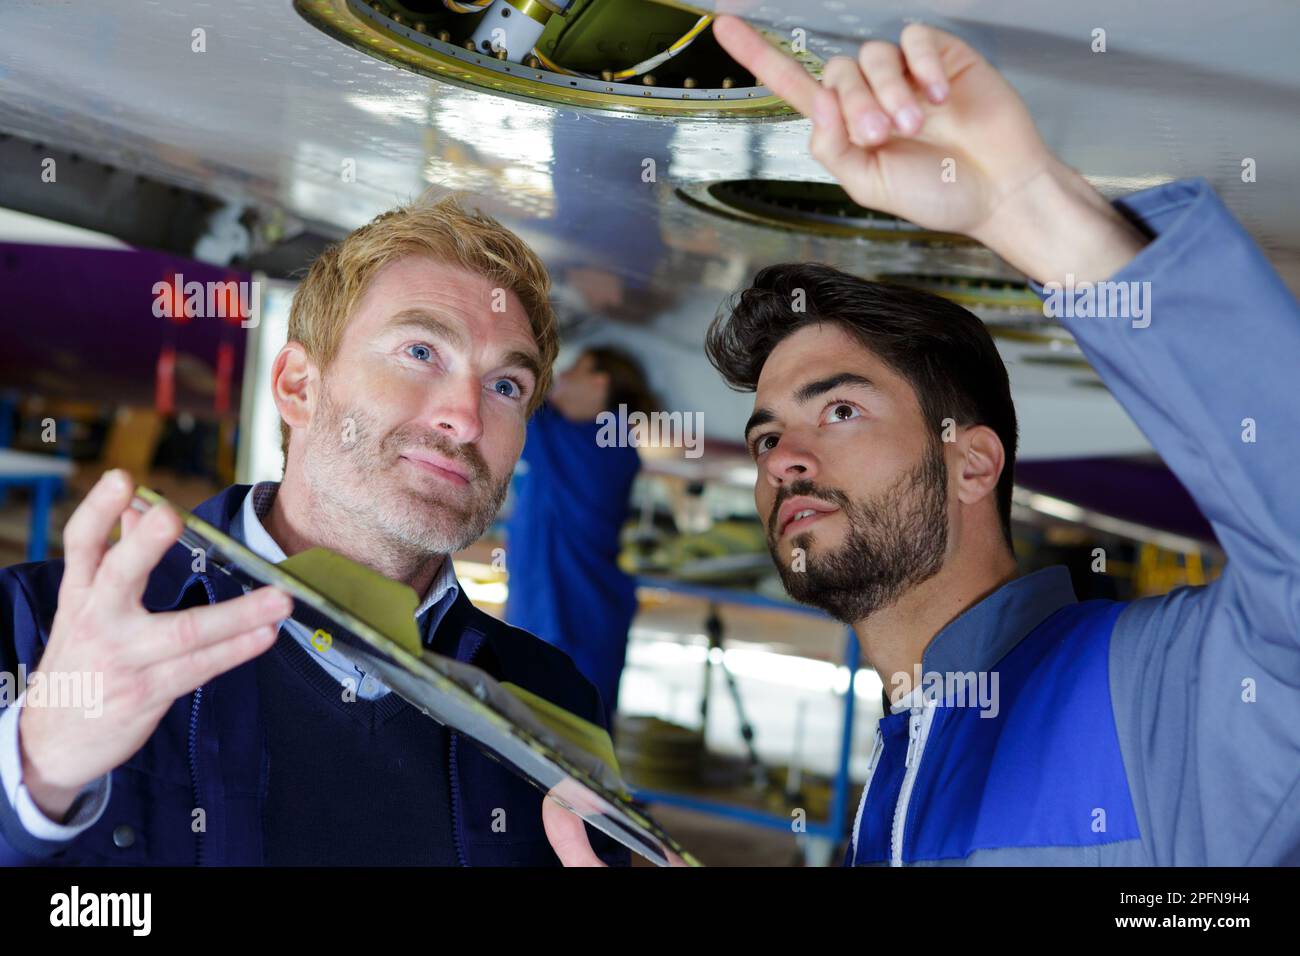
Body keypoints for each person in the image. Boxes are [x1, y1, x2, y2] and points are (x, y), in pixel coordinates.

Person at [547, 14, 1300, 866]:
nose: (783, 461)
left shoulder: (1152, 694)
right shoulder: (898, 780)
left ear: (973, 461)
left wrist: (1031, 208)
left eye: (839, 412)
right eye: (765, 440)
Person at [0, 195, 628, 866]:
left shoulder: (553, 703)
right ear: (299, 385)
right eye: (421, 350)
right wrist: (33, 775)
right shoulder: (33, 633)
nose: (466, 418)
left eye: (507, 386)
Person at [504, 347, 651, 729]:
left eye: (573, 370)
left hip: (579, 619)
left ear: (599, 382)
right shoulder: (575, 437)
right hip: (550, 614)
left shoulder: (606, 442)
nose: (561, 379)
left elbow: (519, 396)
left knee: (576, 750)